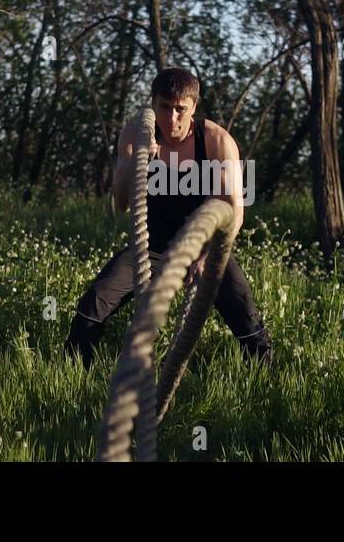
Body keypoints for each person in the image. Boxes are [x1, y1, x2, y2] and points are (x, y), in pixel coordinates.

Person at [64, 67, 272, 368]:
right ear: (153, 103)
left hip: (205, 246)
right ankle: (72, 375)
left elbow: (235, 210)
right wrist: (138, 161)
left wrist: (209, 256)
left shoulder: (216, 141)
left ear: (193, 108)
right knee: (94, 301)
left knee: (244, 310)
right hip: (152, 247)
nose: (172, 118)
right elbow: (121, 203)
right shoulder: (135, 134)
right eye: (164, 107)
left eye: (180, 110)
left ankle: (265, 380)